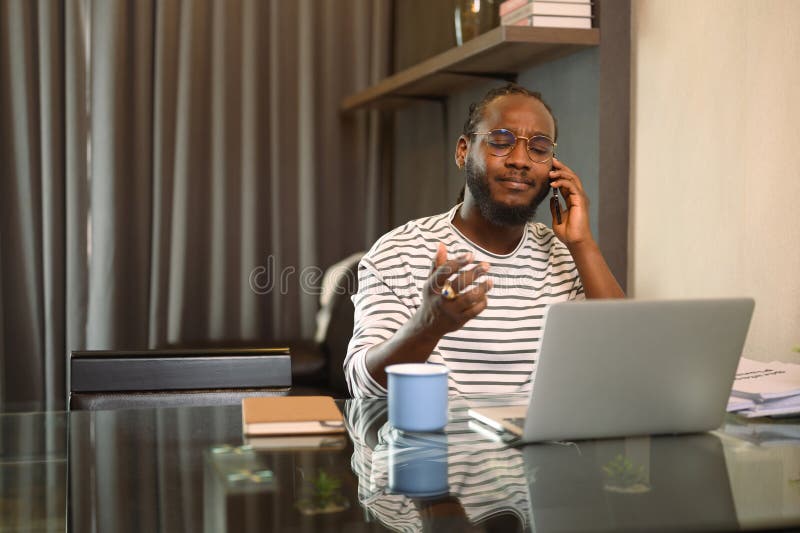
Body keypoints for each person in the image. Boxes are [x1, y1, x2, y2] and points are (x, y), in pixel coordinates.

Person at [344, 83, 624, 398]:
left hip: (542, 445)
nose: (521, 159)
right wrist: (429, 324)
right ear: (463, 151)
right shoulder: (399, 252)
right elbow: (363, 385)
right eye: (501, 141)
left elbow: (625, 357)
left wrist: (582, 243)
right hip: (435, 445)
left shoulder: (566, 257)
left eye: (540, 148)